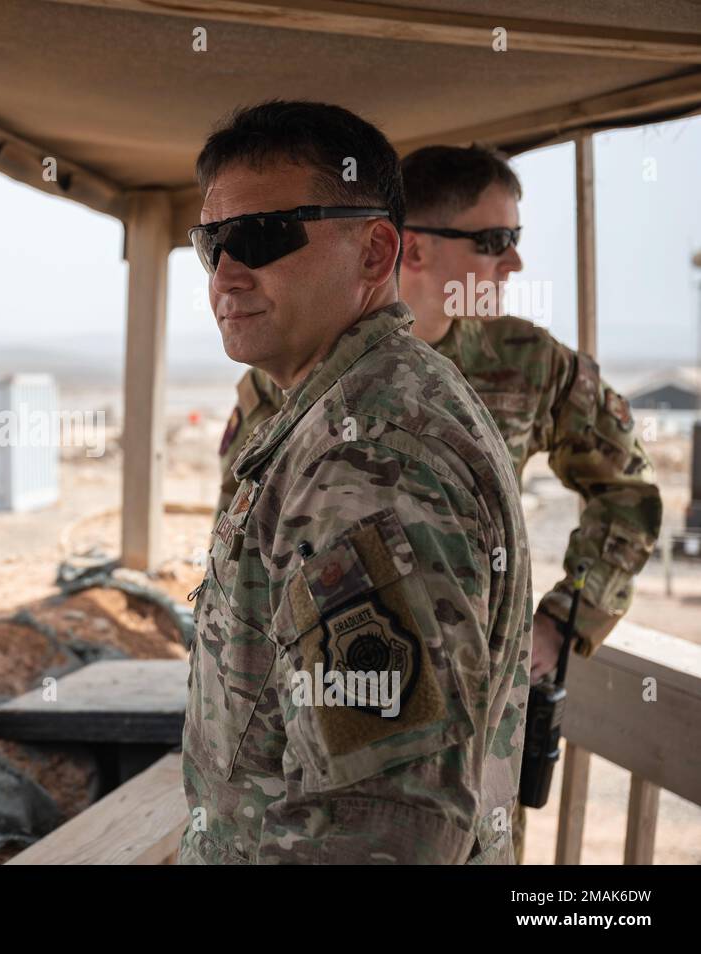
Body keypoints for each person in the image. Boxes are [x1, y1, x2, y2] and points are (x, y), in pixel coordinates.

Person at [213, 143, 663, 861]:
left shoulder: (529, 361)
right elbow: (239, 554)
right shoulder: (288, 372)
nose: (512, 264)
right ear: (410, 249)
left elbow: (627, 495)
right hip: (309, 746)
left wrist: (566, 617)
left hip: (468, 745)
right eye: (495, 242)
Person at [181, 101, 531, 864]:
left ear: (375, 254)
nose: (227, 273)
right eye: (211, 244)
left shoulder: (369, 459)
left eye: (262, 237)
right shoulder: (340, 412)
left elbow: (377, 829)